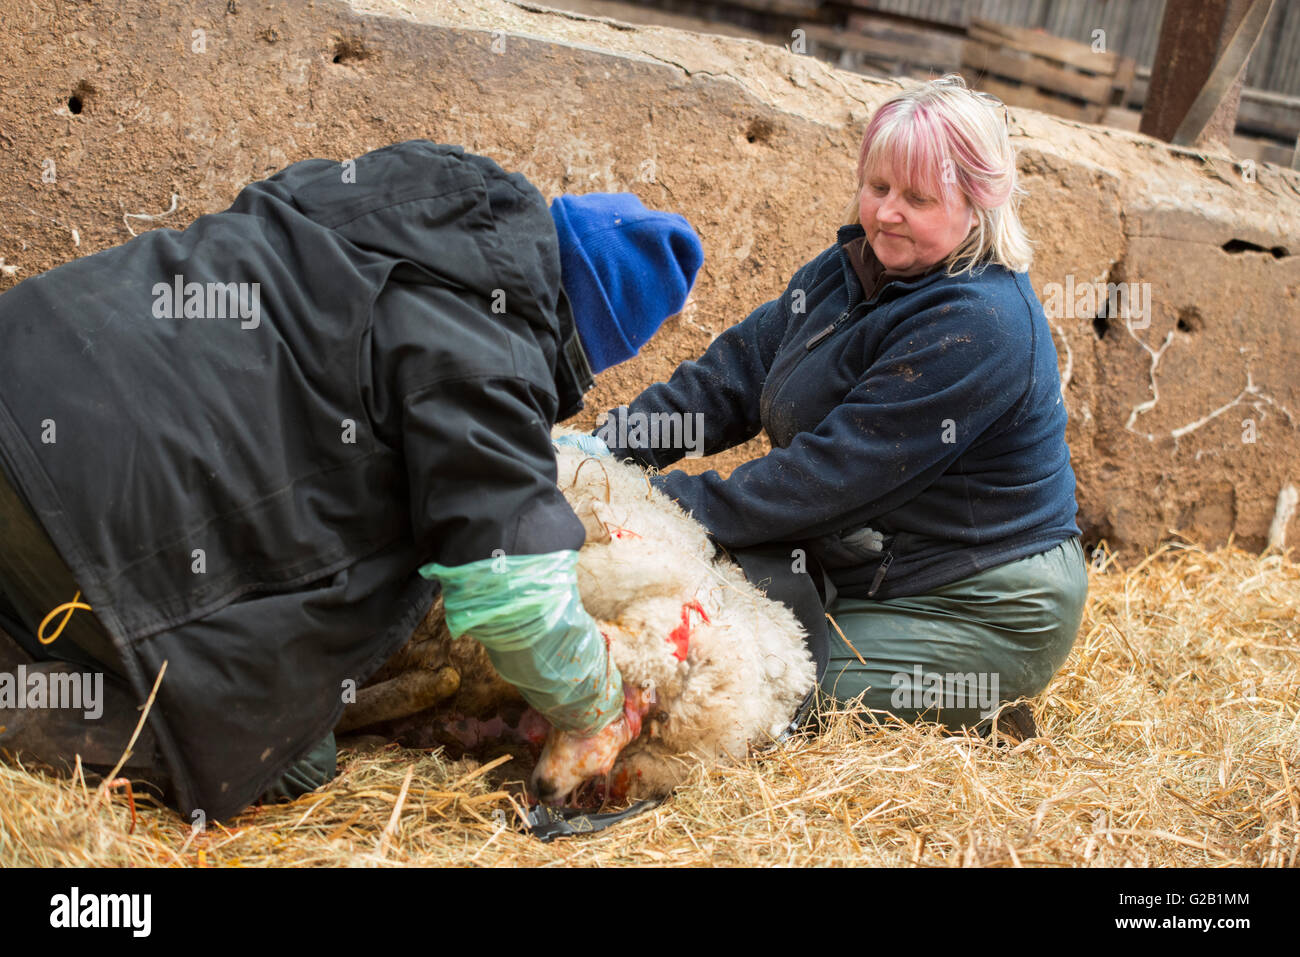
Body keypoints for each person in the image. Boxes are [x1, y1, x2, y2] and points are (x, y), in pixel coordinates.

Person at [0, 140, 703, 820]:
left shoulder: (401, 203)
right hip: (68, 508)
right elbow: (512, 595)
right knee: (286, 760)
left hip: (25, 368)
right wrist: (598, 707)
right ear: (582, 340)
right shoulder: (493, 351)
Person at [587, 75, 1088, 736]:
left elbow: (830, 475)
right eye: (877, 187)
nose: (885, 213)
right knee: (691, 620)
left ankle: (976, 694)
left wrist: (655, 505)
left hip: (982, 599)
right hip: (872, 561)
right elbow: (731, 376)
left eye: (917, 197)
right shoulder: (850, 267)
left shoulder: (981, 325)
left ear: (978, 202)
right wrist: (602, 454)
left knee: (741, 683)